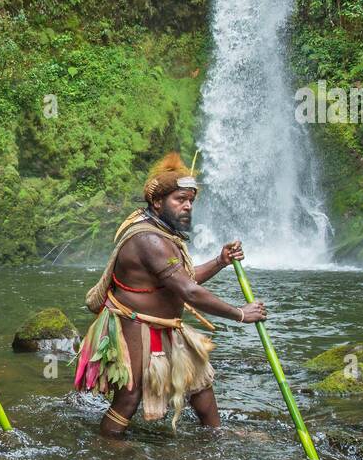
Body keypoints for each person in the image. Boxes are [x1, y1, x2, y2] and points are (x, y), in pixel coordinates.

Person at [74, 153, 267, 436]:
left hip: (166, 327)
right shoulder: (149, 239)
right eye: (180, 199)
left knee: (200, 382)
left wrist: (220, 260)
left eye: (191, 200)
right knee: (129, 396)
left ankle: (216, 436)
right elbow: (188, 290)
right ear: (157, 201)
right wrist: (240, 313)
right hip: (136, 325)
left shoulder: (162, 232)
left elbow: (181, 280)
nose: (188, 206)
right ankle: (108, 449)